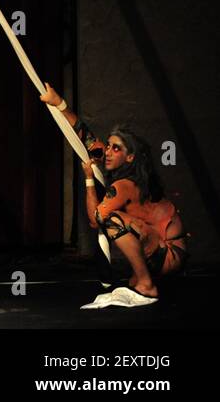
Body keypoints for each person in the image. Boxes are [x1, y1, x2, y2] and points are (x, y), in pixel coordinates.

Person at [40, 83, 189, 302]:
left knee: (111, 220)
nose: (107, 152)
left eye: (116, 148)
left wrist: (89, 178)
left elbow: (95, 220)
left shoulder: (125, 185)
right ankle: (142, 278)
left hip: (168, 254)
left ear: (130, 158)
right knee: (115, 222)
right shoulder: (127, 173)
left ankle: (147, 285)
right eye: (109, 146)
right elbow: (87, 138)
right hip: (164, 249)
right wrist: (59, 103)